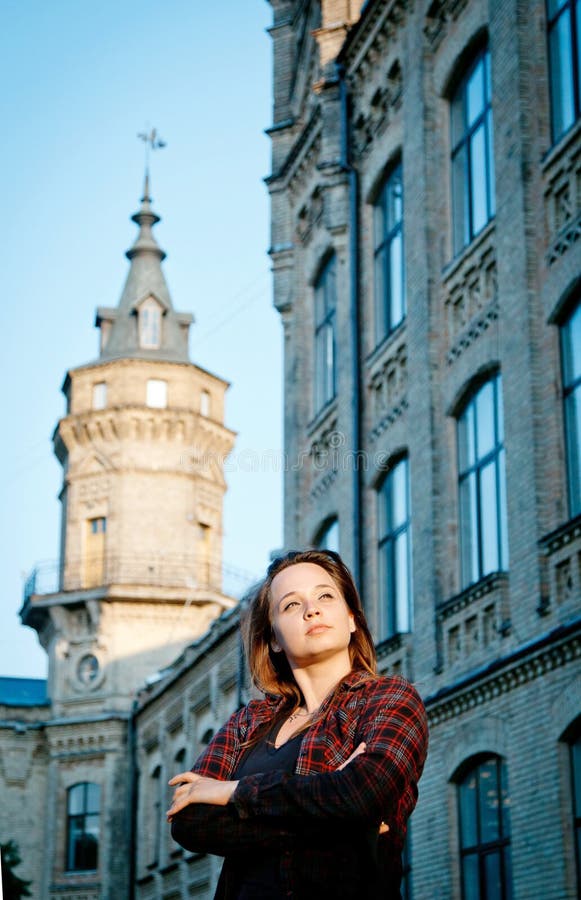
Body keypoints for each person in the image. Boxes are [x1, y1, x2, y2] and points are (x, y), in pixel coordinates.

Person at [167, 549, 428, 899]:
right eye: (291, 604)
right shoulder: (249, 721)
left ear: (351, 618)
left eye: (325, 595)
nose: (312, 610)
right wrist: (337, 819)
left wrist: (232, 791)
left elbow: (362, 792)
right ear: (273, 638)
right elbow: (191, 820)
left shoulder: (388, 699)